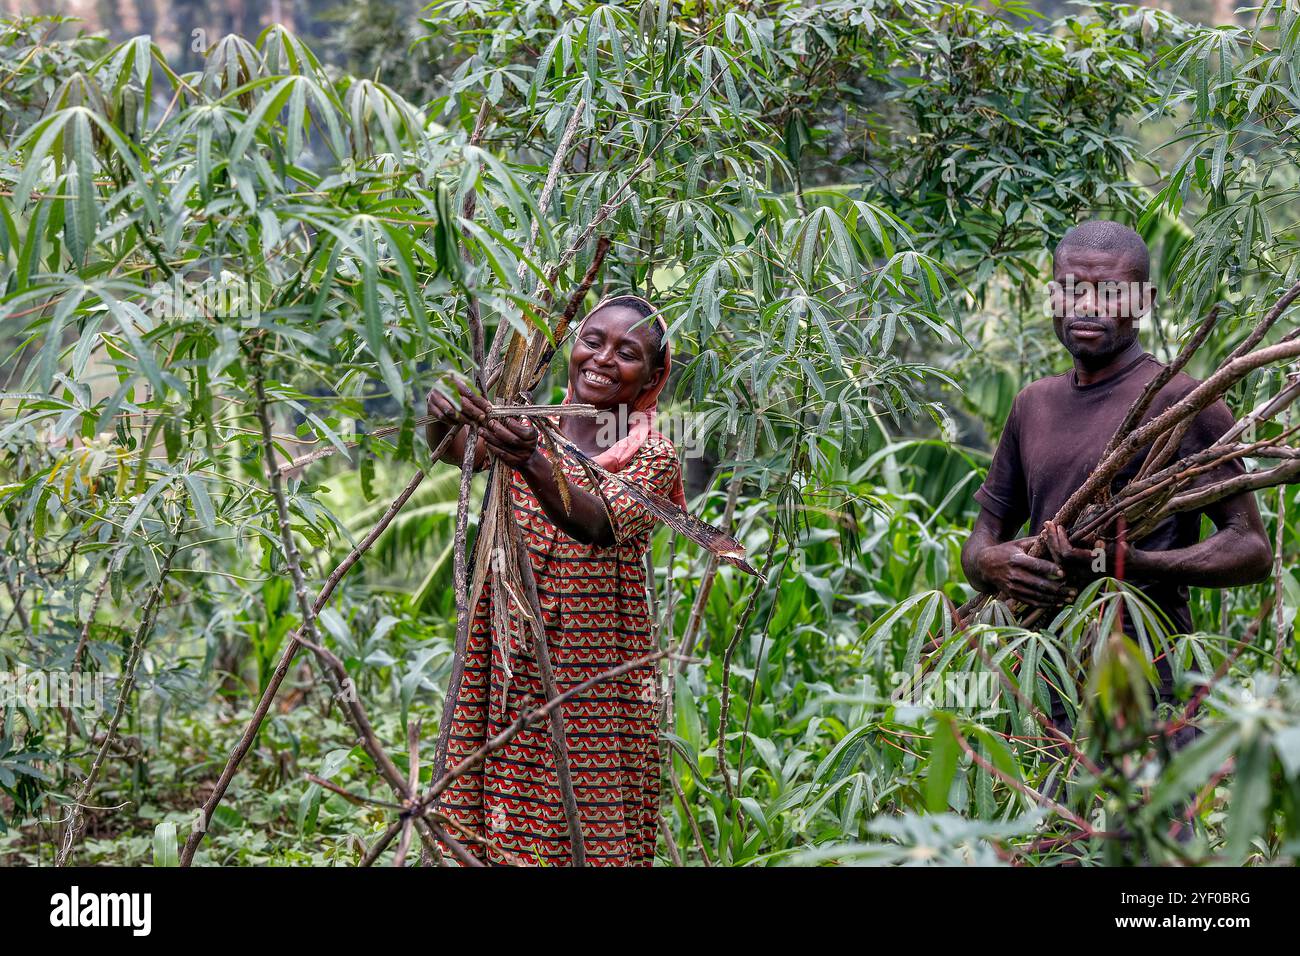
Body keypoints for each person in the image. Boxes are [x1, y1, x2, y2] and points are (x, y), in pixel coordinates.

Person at [960, 220, 1272, 741]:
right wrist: (992, 564)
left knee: (1152, 822)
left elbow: (1251, 548)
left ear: (1143, 300)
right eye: (1072, 289)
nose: (1087, 306)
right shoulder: (1032, 404)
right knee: (1052, 822)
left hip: (1150, 679)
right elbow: (982, 538)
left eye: (1109, 292)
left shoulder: (1182, 403)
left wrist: (1128, 564)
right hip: (1044, 679)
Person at [423, 294, 683, 866]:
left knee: (583, 800)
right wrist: (441, 411)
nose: (603, 359)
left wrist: (531, 460)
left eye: (628, 352)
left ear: (654, 374)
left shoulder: (655, 456)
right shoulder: (527, 421)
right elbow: (456, 450)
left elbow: (595, 521)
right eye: (593, 341)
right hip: (508, 642)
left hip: (593, 663)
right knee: (501, 778)